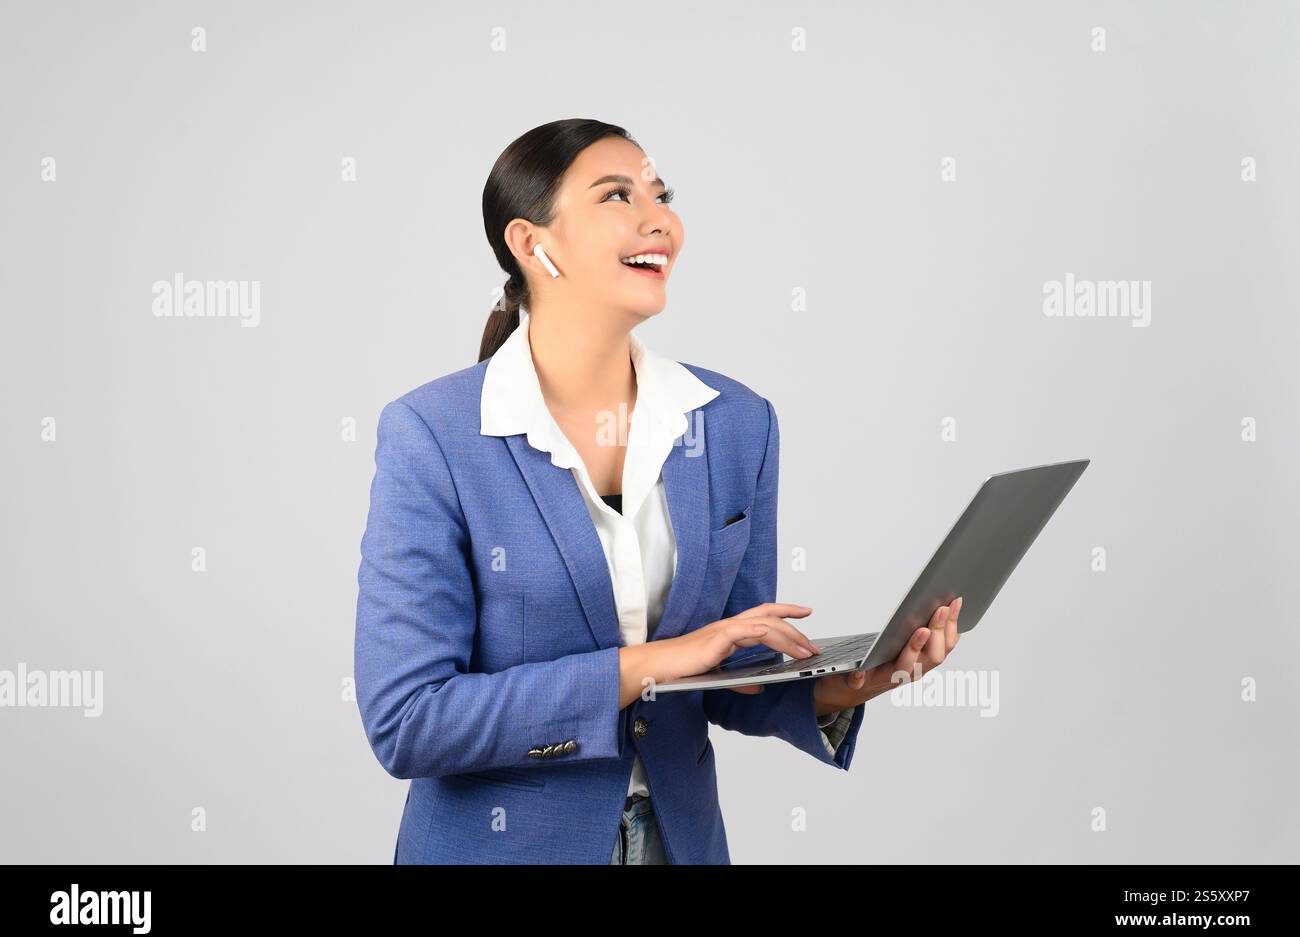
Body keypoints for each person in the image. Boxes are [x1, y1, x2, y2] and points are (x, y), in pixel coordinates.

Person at [353, 119, 963, 865]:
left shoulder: (736, 424)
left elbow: (725, 674)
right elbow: (409, 721)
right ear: (530, 242)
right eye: (618, 194)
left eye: (662, 194)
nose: (660, 219)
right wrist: (648, 664)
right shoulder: (434, 436)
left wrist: (846, 686)